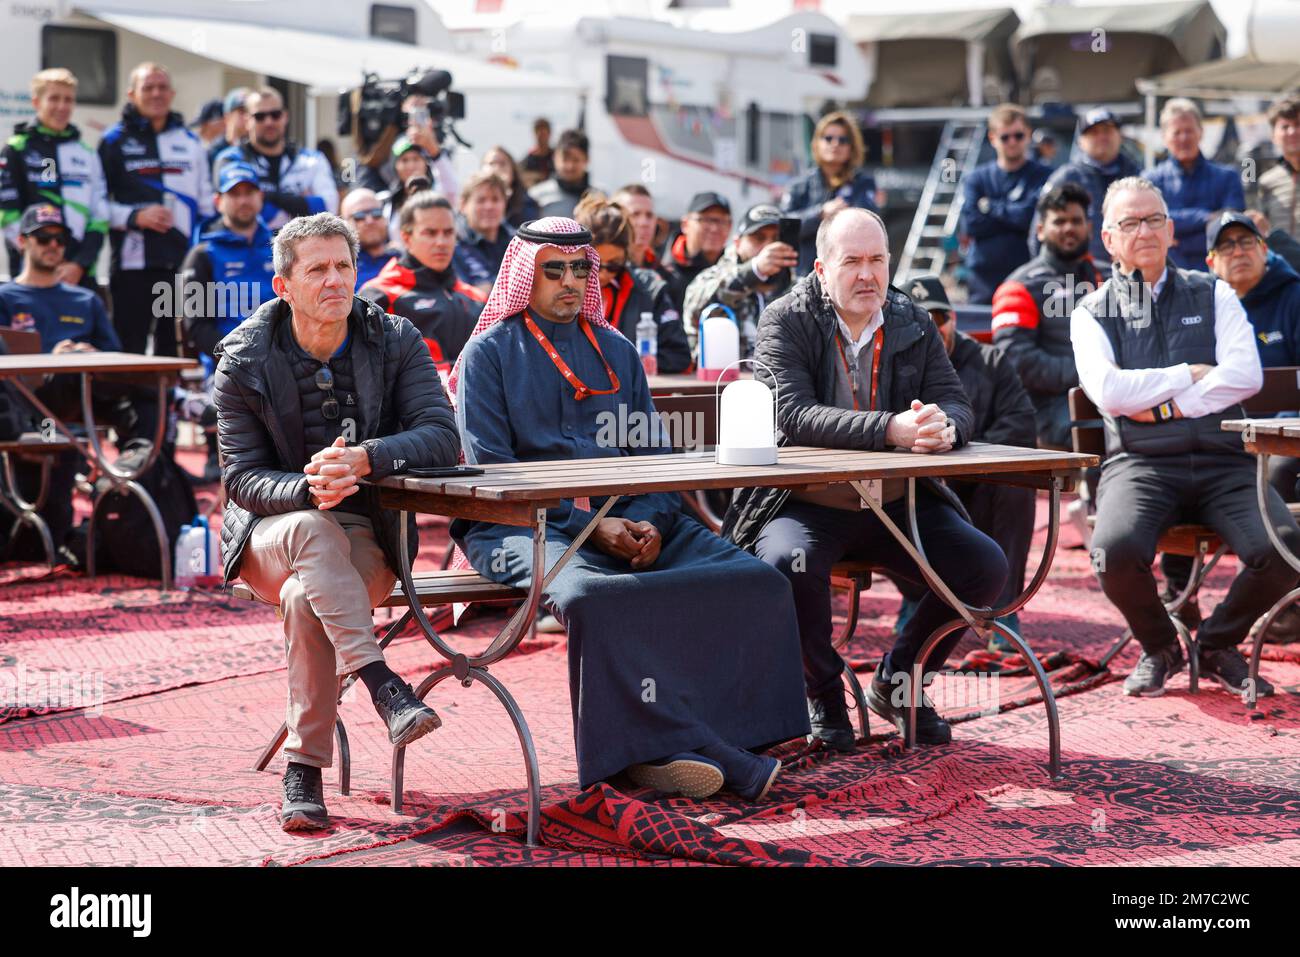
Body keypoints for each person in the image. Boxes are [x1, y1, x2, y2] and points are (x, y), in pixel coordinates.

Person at [449, 216, 808, 799]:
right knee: (596, 596)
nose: (570, 280)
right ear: (523, 275)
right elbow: (497, 477)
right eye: (553, 269)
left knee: (756, 580)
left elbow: (658, 461)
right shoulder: (487, 355)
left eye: (581, 268)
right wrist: (597, 529)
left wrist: (652, 523)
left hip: (633, 520)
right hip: (520, 524)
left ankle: (713, 740)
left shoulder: (615, 349)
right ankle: (688, 750)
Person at [725, 207, 1008, 751]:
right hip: (805, 501)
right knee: (787, 564)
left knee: (983, 567)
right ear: (821, 268)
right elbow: (793, 415)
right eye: (851, 261)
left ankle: (901, 682)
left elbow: (957, 401)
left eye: (877, 260)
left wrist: (943, 426)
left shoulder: (911, 318)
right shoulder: (784, 319)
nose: (867, 275)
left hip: (896, 502)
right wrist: (893, 430)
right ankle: (824, 695)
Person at [214, 212, 455, 831]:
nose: (334, 280)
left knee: (305, 597)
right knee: (310, 532)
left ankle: (305, 772)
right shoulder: (243, 359)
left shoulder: (395, 338)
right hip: (270, 533)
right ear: (282, 286)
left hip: (363, 539)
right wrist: (308, 486)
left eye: (344, 266)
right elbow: (240, 480)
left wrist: (368, 458)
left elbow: (441, 437)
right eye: (316, 269)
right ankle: (379, 682)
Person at [1071, 177, 1297, 698]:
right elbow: (1108, 391)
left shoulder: (1213, 291)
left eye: (1154, 220)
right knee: (1112, 551)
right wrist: (1186, 375)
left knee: (1285, 550)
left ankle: (1216, 643)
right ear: (1108, 238)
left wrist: (1164, 404)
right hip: (1141, 464)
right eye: (1130, 222)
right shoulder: (1090, 311)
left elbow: (1246, 375)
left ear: (1172, 230)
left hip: (1226, 461)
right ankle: (1160, 647)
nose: (1144, 230)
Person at [0, 204, 157, 557]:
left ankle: (137, 470)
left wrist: (84, 353)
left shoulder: (85, 299)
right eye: (44, 238)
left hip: (87, 398)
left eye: (60, 239)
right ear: (22, 242)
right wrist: (54, 359)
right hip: (29, 406)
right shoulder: (4, 297)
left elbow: (116, 360)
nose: (54, 246)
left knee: (148, 394)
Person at [908, 275, 1038, 648]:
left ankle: (1003, 608)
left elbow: (1021, 426)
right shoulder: (895, 365)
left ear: (953, 319)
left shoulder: (990, 360)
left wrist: (960, 456)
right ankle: (915, 603)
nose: (932, 329)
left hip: (979, 487)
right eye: (922, 321)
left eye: (939, 318)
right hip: (922, 492)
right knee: (891, 497)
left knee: (1019, 488)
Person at [99, 63, 215, 358]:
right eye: (147, 87)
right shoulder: (114, 141)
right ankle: (132, 405)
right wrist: (133, 217)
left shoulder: (191, 142)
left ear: (172, 93)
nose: (156, 94)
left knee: (177, 348)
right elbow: (94, 205)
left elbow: (206, 204)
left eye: (162, 87)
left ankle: (175, 404)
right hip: (132, 265)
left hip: (183, 265)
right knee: (130, 350)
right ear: (131, 94)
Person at [177, 162, 277, 484]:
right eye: (235, 193)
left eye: (250, 192)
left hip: (287, 356)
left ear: (260, 197)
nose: (244, 200)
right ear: (219, 201)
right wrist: (240, 358)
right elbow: (196, 327)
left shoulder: (282, 246)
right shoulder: (202, 254)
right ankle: (220, 454)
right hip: (228, 366)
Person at [992, 182, 1103, 449]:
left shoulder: (1111, 277)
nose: (1069, 228)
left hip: (1111, 395)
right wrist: (1091, 374)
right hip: (1049, 409)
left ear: (1089, 227)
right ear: (1040, 230)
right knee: (1115, 431)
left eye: (1076, 220)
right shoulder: (1019, 286)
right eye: (1059, 221)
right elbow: (1017, 362)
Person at [0, 68, 108, 289]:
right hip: (31, 273)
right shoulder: (16, 149)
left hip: (79, 272)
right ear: (36, 102)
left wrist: (79, 263)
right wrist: (44, 261)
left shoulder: (86, 152)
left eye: (68, 100)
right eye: (54, 98)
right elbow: (7, 215)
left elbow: (99, 214)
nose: (62, 107)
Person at [359, 191, 487, 368]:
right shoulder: (378, 295)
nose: (441, 242)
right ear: (406, 237)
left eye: (448, 232)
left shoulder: (477, 298)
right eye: (430, 233)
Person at [572, 195, 690, 373]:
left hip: (628, 395)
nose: (602, 273)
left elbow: (678, 355)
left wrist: (623, 363)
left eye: (613, 265)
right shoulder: (561, 286)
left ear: (626, 258)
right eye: (592, 265)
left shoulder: (649, 288)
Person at [683, 202, 797, 363]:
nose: (769, 247)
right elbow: (697, 306)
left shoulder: (798, 289)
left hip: (781, 384)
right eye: (759, 238)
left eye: (776, 239)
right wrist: (755, 270)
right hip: (719, 385)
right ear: (737, 243)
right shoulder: (710, 277)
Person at [212, 87, 338, 231]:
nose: (269, 122)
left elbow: (327, 208)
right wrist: (301, 204)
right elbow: (235, 212)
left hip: (303, 248)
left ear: (285, 116)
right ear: (247, 120)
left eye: (275, 115)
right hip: (253, 247)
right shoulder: (230, 159)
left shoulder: (312, 159)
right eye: (260, 116)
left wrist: (271, 197)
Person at [961, 104, 1052, 304]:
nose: (1012, 142)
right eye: (1005, 137)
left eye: (1018, 135)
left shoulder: (1044, 176)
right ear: (993, 138)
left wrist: (990, 207)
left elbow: (1031, 218)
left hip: (1029, 275)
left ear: (1028, 135)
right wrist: (1016, 215)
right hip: (984, 280)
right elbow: (972, 224)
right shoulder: (976, 179)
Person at [1031, 108, 1142, 268]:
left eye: (1107, 130)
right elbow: (1039, 233)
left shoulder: (1139, 176)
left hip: (1132, 276)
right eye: (1093, 132)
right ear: (1081, 140)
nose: (1102, 137)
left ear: (1120, 135)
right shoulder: (1065, 179)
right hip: (1078, 279)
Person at [1146, 99, 1245, 272]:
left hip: (1219, 276)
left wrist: (1175, 238)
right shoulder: (1150, 181)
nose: (1184, 138)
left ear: (1201, 132)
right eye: (1177, 132)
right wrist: (1206, 218)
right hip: (1167, 276)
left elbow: (1230, 225)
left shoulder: (1227, 177)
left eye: (1189, 131)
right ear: (1164, 137)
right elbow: (1149, 225)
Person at [779, 110, 880, 276]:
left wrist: (841, 218)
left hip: (848, 275)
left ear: (851, 146)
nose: (835, 144)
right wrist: (821, 213)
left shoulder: (863, 184)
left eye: (843, 140)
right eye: (828, 138)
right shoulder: (799, 185)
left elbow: (868, 227)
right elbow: (784, 231)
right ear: (816, 143)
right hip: (804, 277)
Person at [658, 191, 732, 314]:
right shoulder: (662, 270)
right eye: (706, 220)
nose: (714, 228)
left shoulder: (734, 270)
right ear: (685, 224)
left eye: (722, 221)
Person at [456, 170, 515, 286]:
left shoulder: (517, 243)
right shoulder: (453, 244)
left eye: (495, 199)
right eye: (481, 200)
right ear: (463, 205)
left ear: (505, 204)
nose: (489, 206)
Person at [528, 129, 600, 219]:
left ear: (587, 159)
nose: (570, 166)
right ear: (554, 158)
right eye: (565, 159)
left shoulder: (600, 197)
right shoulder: (536, 196)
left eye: (576, 160)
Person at [1257, 94, 1300, 242]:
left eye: (1298, 124)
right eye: (1285, 126)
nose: (1292, 132)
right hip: (1281, 262)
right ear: (1273, 136)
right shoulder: (1266, 182)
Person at [339, 188, 399, 290]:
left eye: (376, 213)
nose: (370, 220)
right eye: (359, 216)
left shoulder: (405, 260)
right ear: (345, 224)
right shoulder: (340, 268)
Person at [482, 145, 539, 228]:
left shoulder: (528, 205)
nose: (497, 168)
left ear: (512, 170)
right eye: (491, 163)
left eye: (502, 164)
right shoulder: (473, 202)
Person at [611, 184, 658, 267]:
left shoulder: (666, 273)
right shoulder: (603, 272)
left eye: (649, 215)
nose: (644, 223)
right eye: (635, 214)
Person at [207, 88, 249, 173]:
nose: (247, 116)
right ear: (227, 117)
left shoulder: (258, 148)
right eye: (242, 111)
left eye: (250, 111)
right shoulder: (214, 151)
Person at [519, 117, 554, 186]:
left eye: (544, 133)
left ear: (549, 134)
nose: (540, 136)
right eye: (538, 132)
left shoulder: (557, 157)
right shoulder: (527, 160)